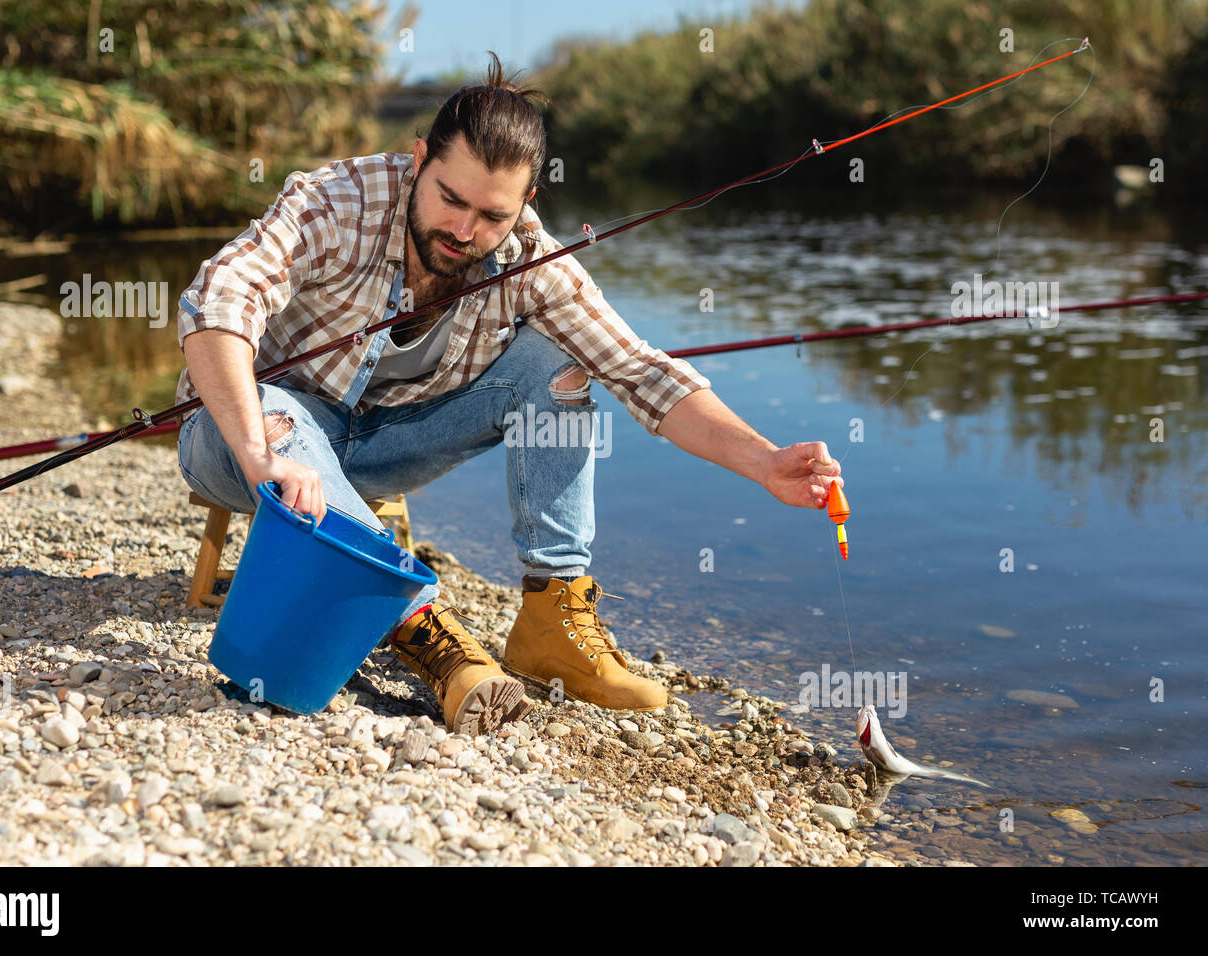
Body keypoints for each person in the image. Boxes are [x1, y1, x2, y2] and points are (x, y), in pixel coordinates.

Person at [174, 52, 842, 736]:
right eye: (450, 199)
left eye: (491, 214)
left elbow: (641, 371)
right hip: (248, 445)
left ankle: (552, 617)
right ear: (417, 160)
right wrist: (258, 449)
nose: (464, 232)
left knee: (560, 362)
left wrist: (764, 461)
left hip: (379, 445)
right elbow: (217, 299)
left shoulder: (529, 257)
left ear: (526, 202)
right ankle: (427, 632)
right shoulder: (334, 201)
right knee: (281, 415)